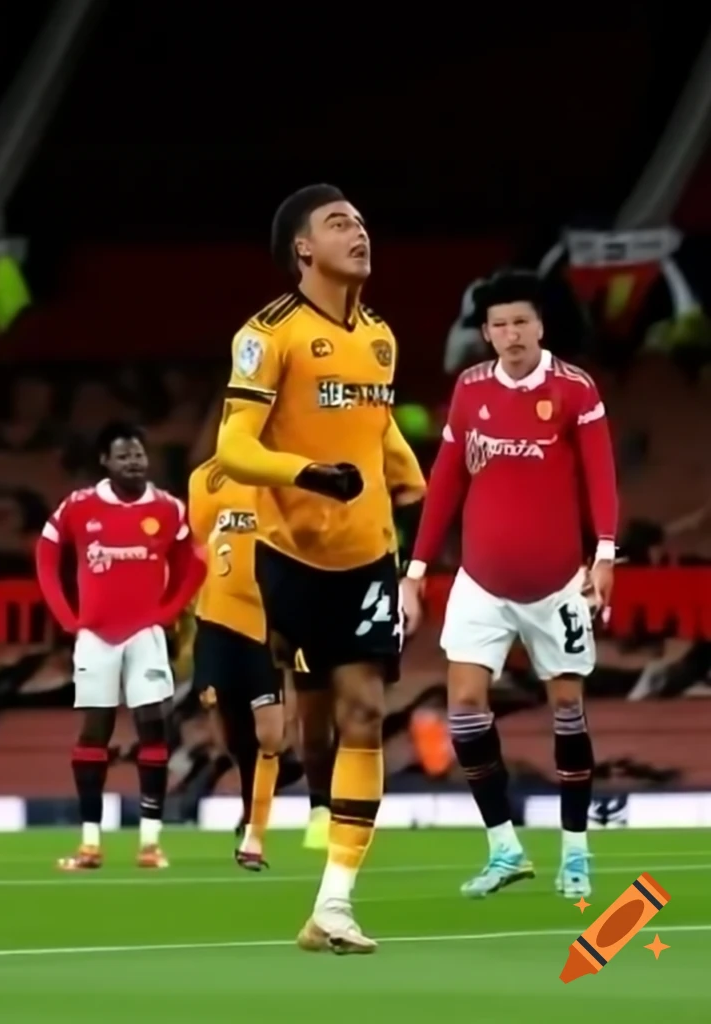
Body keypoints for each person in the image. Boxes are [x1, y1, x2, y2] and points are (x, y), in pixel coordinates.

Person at [216, 184, 425, 953]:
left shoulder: (381, 336)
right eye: (339, 223)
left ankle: (333, 903)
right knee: (309, 724)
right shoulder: (269, 333)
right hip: (292, 557)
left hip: (369, 556)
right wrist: (306, 473)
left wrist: (411, 477)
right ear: (303, 247)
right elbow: (234, 446)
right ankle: (287, 818)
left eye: (362, 221)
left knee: (365, 710)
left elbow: (376, 425)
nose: (358, 232)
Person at [400, 269, 617, 901]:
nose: (511, 334)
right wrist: (415, 572)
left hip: (558, 584)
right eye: (499, 325)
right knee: (464, 707)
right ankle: (504, 849)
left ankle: (575, 854)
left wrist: (605, 554)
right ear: (486, 333)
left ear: (540, 326)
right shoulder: (470, 389)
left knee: (567, 710)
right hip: (481, 582)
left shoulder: (575, 389)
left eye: (521, 321)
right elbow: (446, 481)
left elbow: (601, 475)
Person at [36, 422, 206, 870]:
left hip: (145, 636)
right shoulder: (79, 505)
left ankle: (150, 844)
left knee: (154, 730)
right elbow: (46, 556)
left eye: (138, 454)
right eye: (123, 455)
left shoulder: (168, 507)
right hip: (96, 637)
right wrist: (67, 617)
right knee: (95, 732)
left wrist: (168, 612)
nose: (133, 462)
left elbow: (194, 563)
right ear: (104, 461)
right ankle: (90, 845)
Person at [186, 456, 284, 870]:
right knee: (234, 736)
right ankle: (249, 805)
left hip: (266, 626)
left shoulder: (285, 472)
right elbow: (198, 542)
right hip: (217, 623)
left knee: (270, 735)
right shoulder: (207, 477)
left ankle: (255, 837)